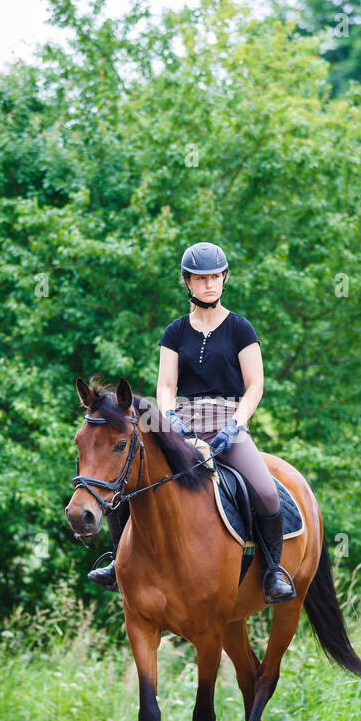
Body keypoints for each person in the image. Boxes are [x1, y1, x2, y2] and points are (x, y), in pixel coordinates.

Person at [88, 241, 296, 603]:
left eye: (215, 276)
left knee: (264, 491)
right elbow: (165, 386)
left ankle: (273, 571)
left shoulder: (241, 329)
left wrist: (235, 425)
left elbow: (255, 386)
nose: (209, 284)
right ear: (187, 282)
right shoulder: (175, 332)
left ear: (224, 278)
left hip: (228, 423)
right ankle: (116, 560)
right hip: (181, 423)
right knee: (130, 475)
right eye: (201, 278)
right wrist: (169, 418)